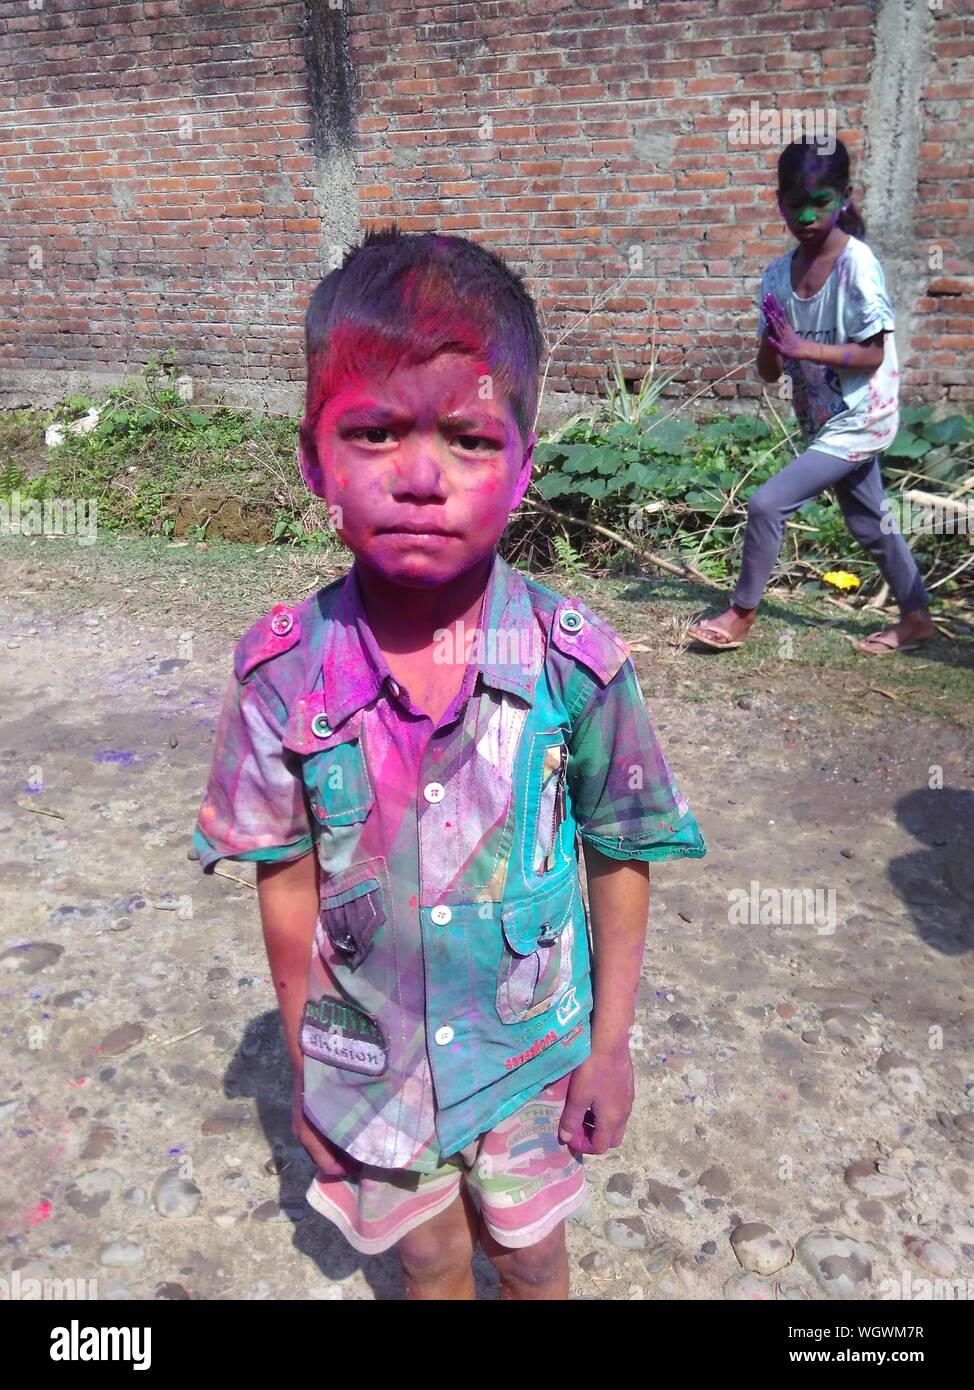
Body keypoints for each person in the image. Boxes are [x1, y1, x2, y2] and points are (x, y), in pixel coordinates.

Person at [193, 227, 706, 1300]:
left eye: (470, 440)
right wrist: (307, 1066)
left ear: (522, 467)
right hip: (369, 1069)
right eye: (374, 433)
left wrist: (607, 1046)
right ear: (311, 460)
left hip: (530, 1062)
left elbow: (618, 853)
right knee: (427, 1261)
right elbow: (282, 880)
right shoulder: (281, 676)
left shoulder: (580, 666)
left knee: (527, 1257)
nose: (421, 476)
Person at [689, 137, 935, 656]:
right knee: (870, 520)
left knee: (766, 505)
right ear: (779, 202)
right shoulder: (777, 276)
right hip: (823, 417)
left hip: (863, 414)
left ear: (844, 198)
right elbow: (768, 370)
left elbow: (871, 354)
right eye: (794, 204)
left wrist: (803, 347)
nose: (806, 215)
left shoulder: (857, 265)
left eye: (820, 202)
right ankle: (916, 618)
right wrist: (776, 347)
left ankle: (741, 612)